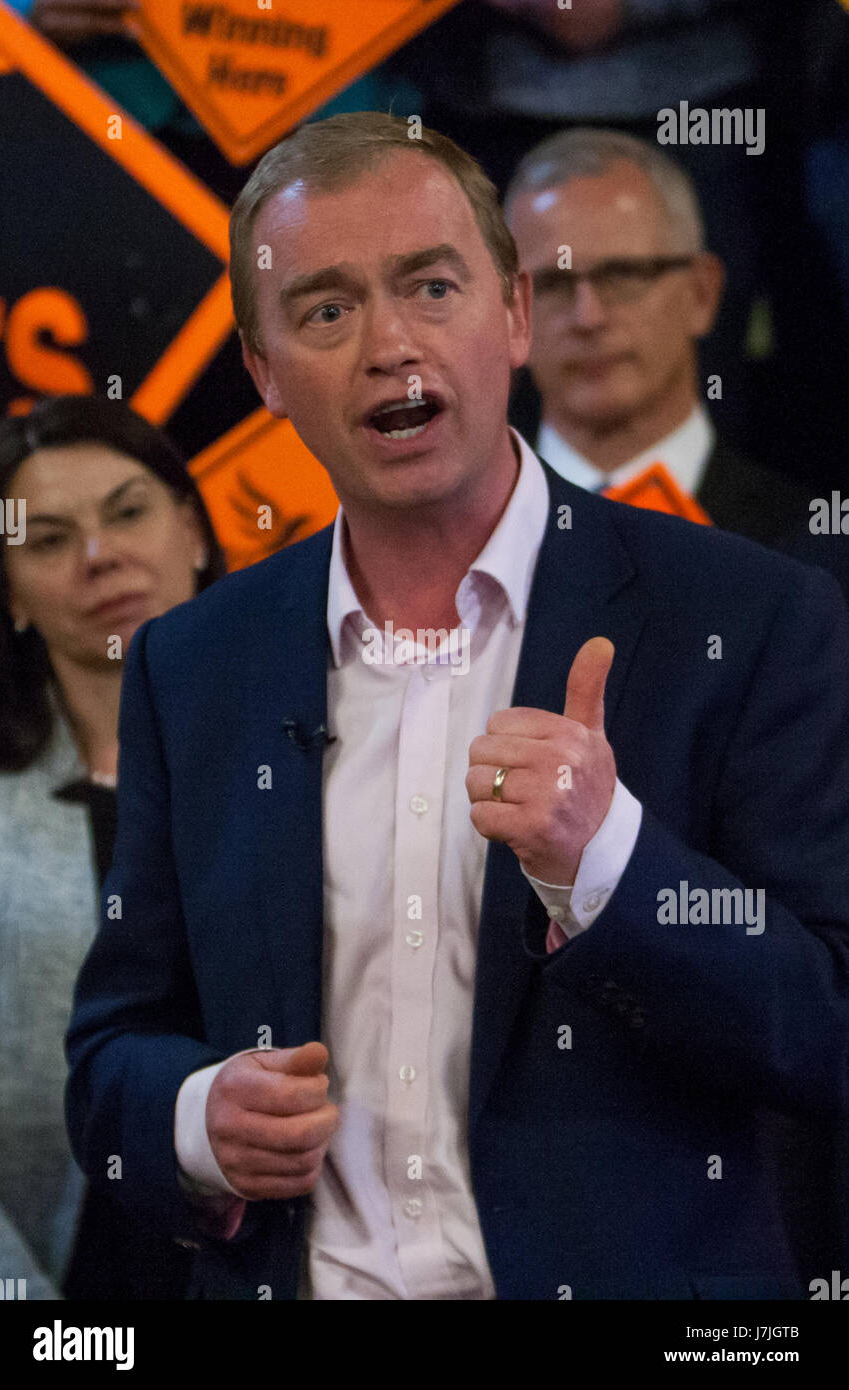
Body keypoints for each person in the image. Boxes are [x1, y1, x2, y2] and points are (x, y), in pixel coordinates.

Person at [66, 113, 849, 1300]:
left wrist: (606, 863)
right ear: (265, 372)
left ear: (515, 315)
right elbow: (109, 1055)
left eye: (430, 286)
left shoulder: (753, 617)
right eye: (325, 310)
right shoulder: (192, 663)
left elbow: (826, 1031)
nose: (389, 344)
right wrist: (191, 1117)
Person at [0, 394, 226, 1297]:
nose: (101, 557)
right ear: (7, 592)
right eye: (47, 540)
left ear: (194, 531)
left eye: (128, 512)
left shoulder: (329, 750)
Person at [504, 126, 810, 547]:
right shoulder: (450, 539)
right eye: (553, 285)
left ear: (701, 294)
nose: (588, 317)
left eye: (623, 275)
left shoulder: (813, 549)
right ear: (510, 313)